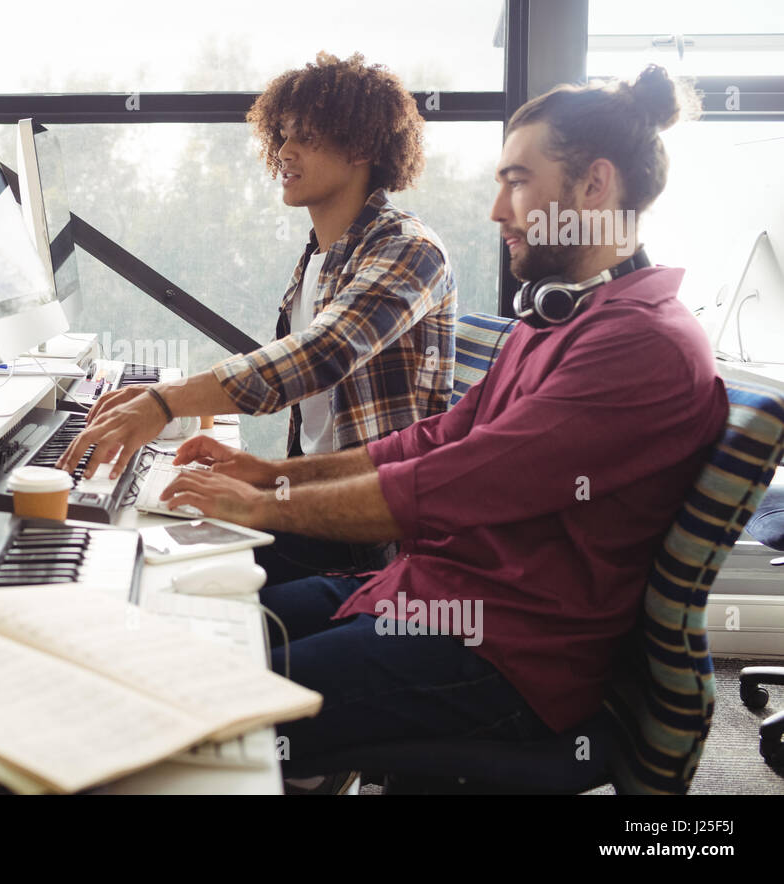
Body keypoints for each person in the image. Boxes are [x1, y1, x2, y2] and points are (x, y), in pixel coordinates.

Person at [158, 65, 727, 767]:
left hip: (503, 655)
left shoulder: (642, 346)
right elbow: (435, 438)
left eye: (516, 181)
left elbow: (456, 481)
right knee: (194, 640)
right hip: (431, 595)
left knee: (195, 706)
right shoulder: (561, 320)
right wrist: (272, 475)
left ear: (594, 185)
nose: (497, 209)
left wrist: (266, 505)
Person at [60, 51, 456, 577]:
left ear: (360, 145)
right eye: (283, 135)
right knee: (142, 541)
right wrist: (268, 475)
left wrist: (164, 402)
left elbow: (323, 355)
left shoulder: (409, 248)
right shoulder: (321, 253)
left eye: (306, 137)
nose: (284, 151)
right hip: (317, 501)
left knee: (161, 575)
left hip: (368, 541)